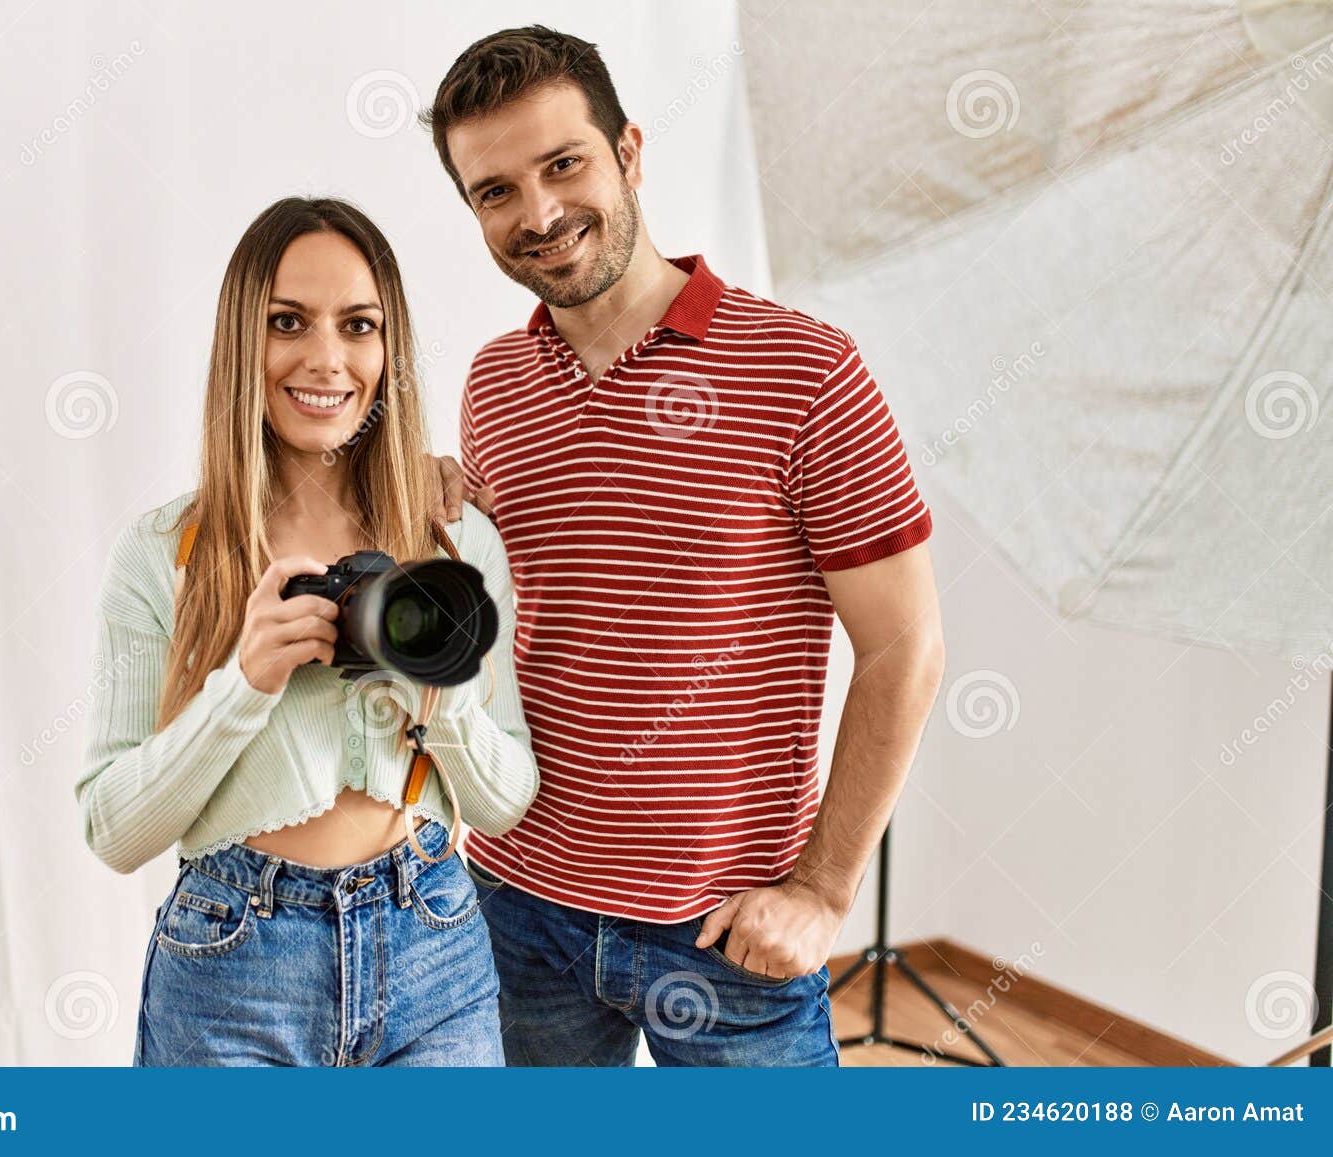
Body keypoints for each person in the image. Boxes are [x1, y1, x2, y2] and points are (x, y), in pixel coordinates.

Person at [420, 26, 946, 1066]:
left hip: (724, 930)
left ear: (630, 152)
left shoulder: (806, 370)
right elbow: (522, 628)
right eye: (494, 191)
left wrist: (822, 889)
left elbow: (905, 646)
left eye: (562, 163)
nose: (538, 214)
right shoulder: (494, 384)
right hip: (515, 904)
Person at [75, 196, 538, 1066]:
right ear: (242, 339)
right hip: (234, 959)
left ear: (388, 347)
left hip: (433, 943)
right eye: (288, 321)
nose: (327, 359)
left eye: (358, 325)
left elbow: (505, 801)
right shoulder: (164, 554)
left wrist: (441, 708)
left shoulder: (453, 541)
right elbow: (114, 831)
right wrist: (243, 683)